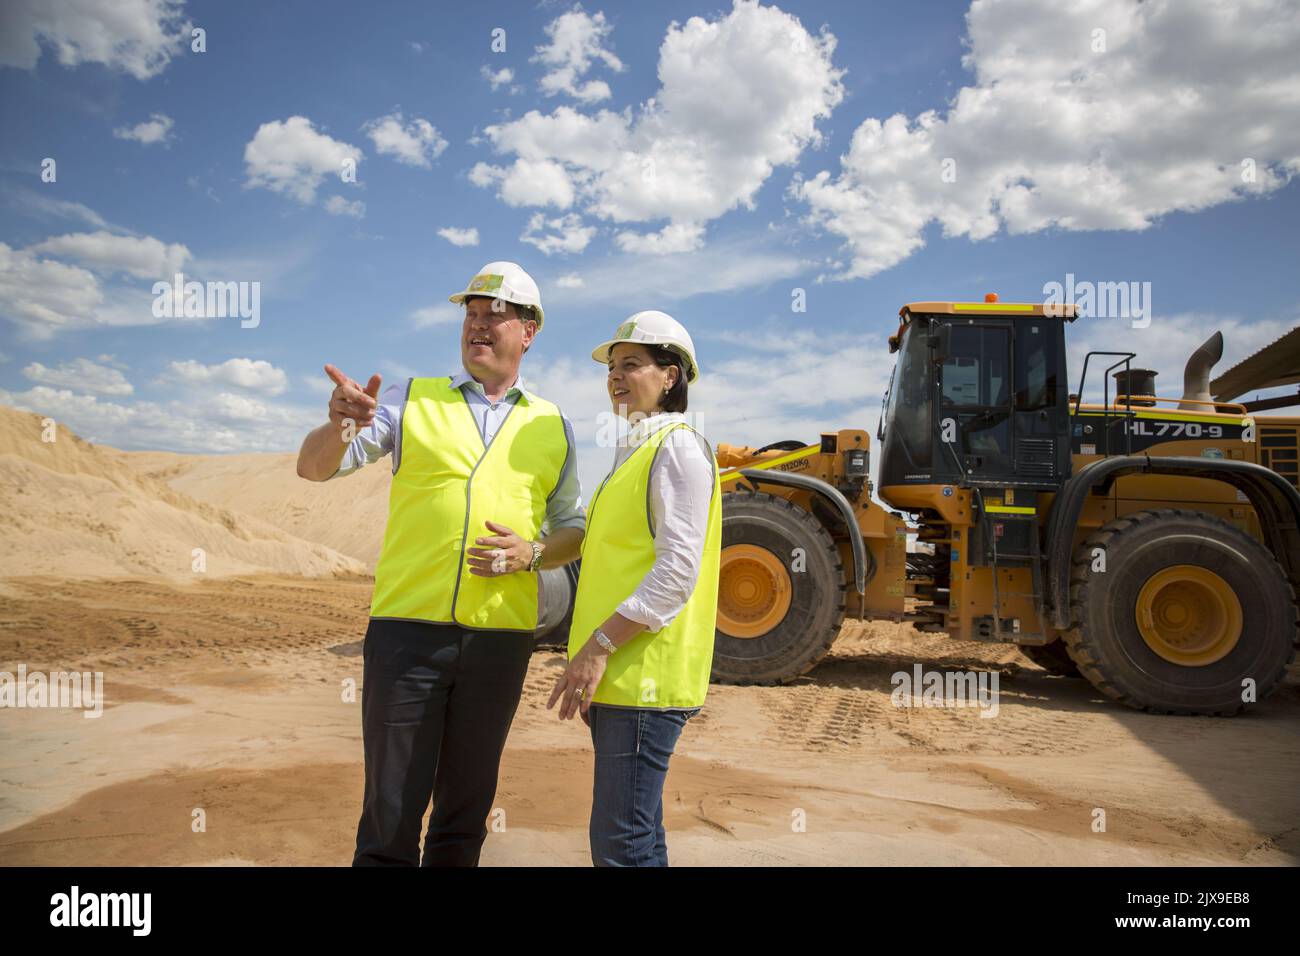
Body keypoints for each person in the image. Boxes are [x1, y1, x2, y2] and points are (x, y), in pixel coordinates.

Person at [296, 260, 585, 866]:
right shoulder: (409, 398)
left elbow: (573, 531)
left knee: (464, 817)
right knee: (390, 816)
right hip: (408, 636)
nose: (478, 326)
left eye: (494, 316)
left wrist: (531, 553)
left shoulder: (552, 423)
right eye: (471, 315)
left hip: (500, 641)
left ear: (528, 331)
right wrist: (338, 426)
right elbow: (314, 468)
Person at [547, 310, 721, 867]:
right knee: (640, 837)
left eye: (632, 365)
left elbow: (675, 574)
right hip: (625, 677)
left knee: (621, 844)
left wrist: (598, 648)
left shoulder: (677, 448)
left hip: (642, 677)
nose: (616, 377)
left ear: (671, 376)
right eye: (612, 368)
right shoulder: (637, 449)